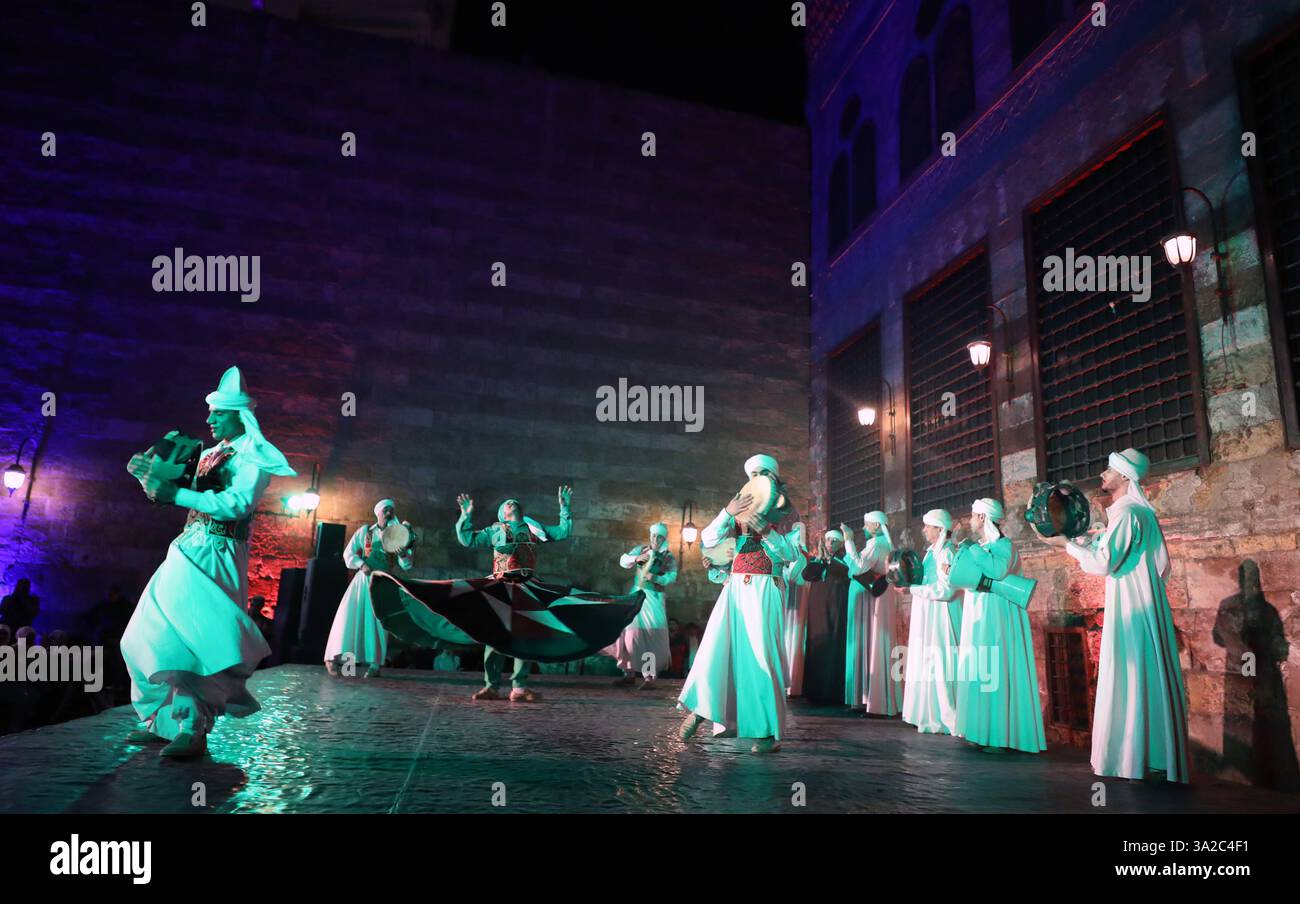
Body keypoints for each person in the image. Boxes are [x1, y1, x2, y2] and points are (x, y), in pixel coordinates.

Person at [121, 366, 295, 758]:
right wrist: (150, 477)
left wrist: (177, 496)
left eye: (218, 412)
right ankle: (163, 721)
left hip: (218, 554)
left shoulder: (254, 457)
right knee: (144, 636)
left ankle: (192, 728)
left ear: (239, 414)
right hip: (186, 548)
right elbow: (177, 490)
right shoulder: (212, 453)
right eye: (210, 412)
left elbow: (236, 504)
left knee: (198, 645)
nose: (209, 419)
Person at [1041, 448, 1189, 783]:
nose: (1103, 475)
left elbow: (1106, 563)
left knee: (1131, 669)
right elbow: (1160, 566)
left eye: (1109, 470)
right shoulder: (1139, 513)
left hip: (1132, 604)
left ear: (1124, 477)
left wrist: (1067, 545)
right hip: (1145, 599)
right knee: (1147, 673)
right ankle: (1152, 754)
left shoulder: (1127, 513)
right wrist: (1089, 540)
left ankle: (1129, 756)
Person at [679, 454, 795, 754]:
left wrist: (767, 531)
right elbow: (709, 537)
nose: (756, 477)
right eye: (752, 473)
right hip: (735, 587)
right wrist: (727, 513)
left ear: (773, 476)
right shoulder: (740, 503)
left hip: (765, 588)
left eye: (762, 473)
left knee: (760, 657)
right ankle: (706, 711)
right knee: (717, 650)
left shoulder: (784, 508)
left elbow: (790, 555)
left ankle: (768, 733)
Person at [954, 498, 1046, 754]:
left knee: (997, 668)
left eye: (973, 515)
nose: (970, 520)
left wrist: (972, 549)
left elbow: (996, 570)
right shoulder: (984, 546)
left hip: (998, 616)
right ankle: (979, 729)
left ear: (983, 518)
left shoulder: (1004, 545)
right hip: (979, 614)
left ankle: (999, 735)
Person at [324, 499, 415, 678]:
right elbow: (348, 553)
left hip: (383, 582)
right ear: (378, 513)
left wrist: (403, 553)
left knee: (378, 622)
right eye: (386, 510)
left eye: (391, 510)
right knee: (351, 618)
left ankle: (375, 664)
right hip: (363, 581)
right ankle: (340, 662)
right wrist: (360, 564)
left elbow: (406, 565)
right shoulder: (365, 532)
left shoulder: (398, 534)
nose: (389, 513)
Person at [901, 509, 961, 735]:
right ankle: (929, 714)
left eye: (928, 526)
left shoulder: (946, 553)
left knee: (941, 662)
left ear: (939, 529)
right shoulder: (930, 553)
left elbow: (947, 590)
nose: (924, 530)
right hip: (927, 612)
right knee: (928, 663)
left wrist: (913, 589)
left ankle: (949, 717)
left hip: (940, 615)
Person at [844, 511, 901, 715]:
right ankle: (879, 696)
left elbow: (859, 566)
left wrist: (849, 542)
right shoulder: (885, 543)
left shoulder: (877, 544)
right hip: (883, 594)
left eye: (867, 524)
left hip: (878, 596)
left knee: (876, 640)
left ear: (876, 526)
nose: (864, 528)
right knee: (878, 642)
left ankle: (875, 698)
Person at [608, 522, 677, 688]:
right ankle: (629, 673)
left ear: (664, 538)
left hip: (654, 599)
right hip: (636, 596)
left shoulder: (668, 556)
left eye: (659, 537)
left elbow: (672, 576)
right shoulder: (641, 550)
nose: (655, 539)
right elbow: (623, 561)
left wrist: (657, 579)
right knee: (630, 634)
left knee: (650, 636)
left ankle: (649, 677)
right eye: (653, 535)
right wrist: (635, 558)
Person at [781, 522, 810, 698]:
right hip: (788, 603)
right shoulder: (794, 556)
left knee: (794, 638)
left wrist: (783, 569)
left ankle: (793, 683)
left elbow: (793, 578)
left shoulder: (801, 556)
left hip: (797, 603)